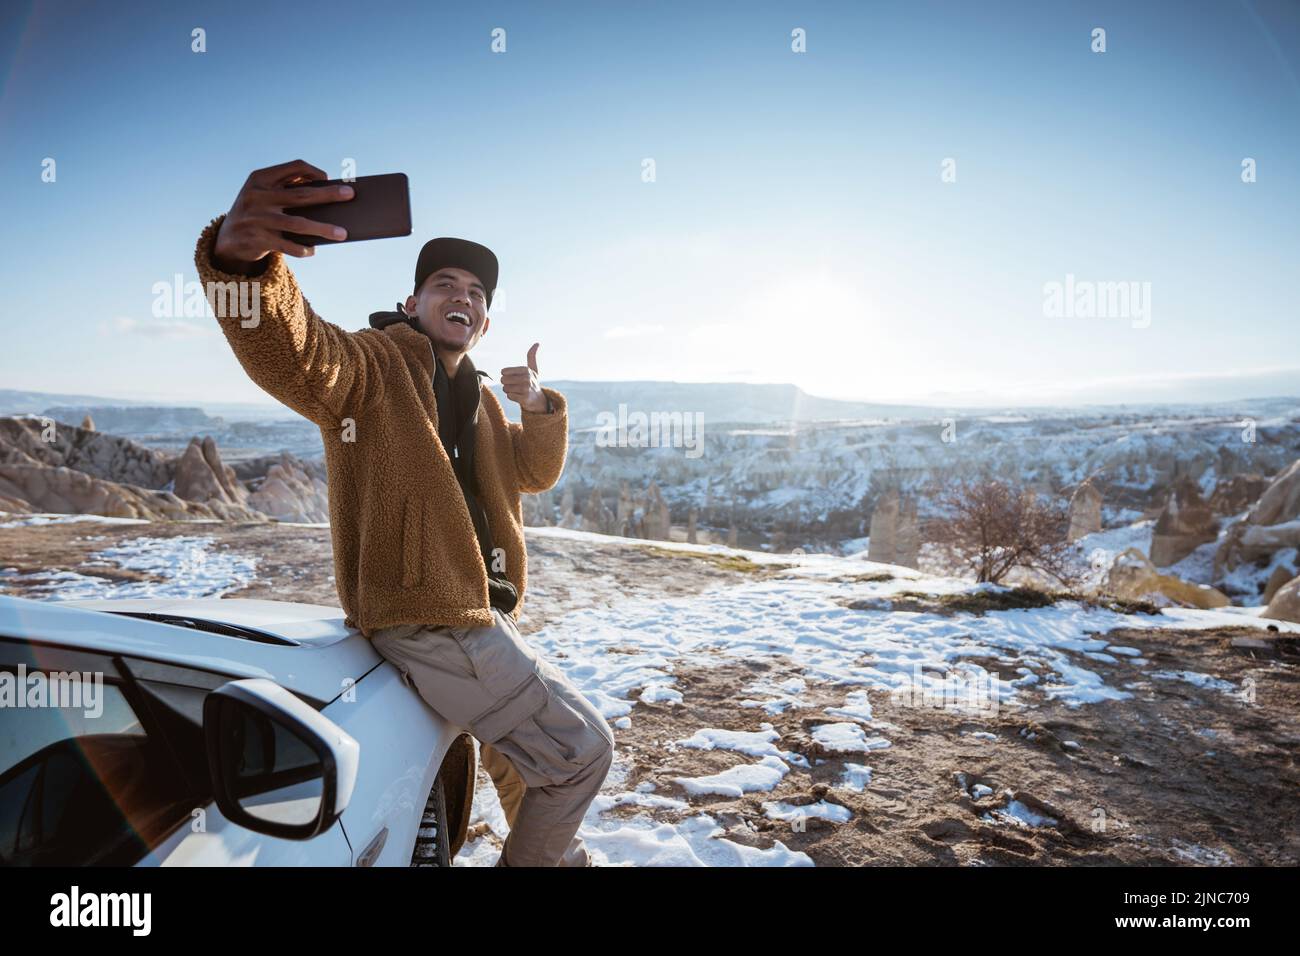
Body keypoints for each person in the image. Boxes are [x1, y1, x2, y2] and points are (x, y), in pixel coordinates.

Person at [194, 159, 615, 867]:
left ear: (482, 322)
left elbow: (534, 472)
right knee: (581, 752)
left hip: (483, 611)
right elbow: (301, 355)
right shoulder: (376, 367)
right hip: (431, 617)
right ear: (412, 303)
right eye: (445, 284)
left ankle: (556, 855)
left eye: (477, 292)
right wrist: (241, 266)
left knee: (515, 760)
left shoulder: (478, 399)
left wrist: (538, 407)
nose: (464, 296)